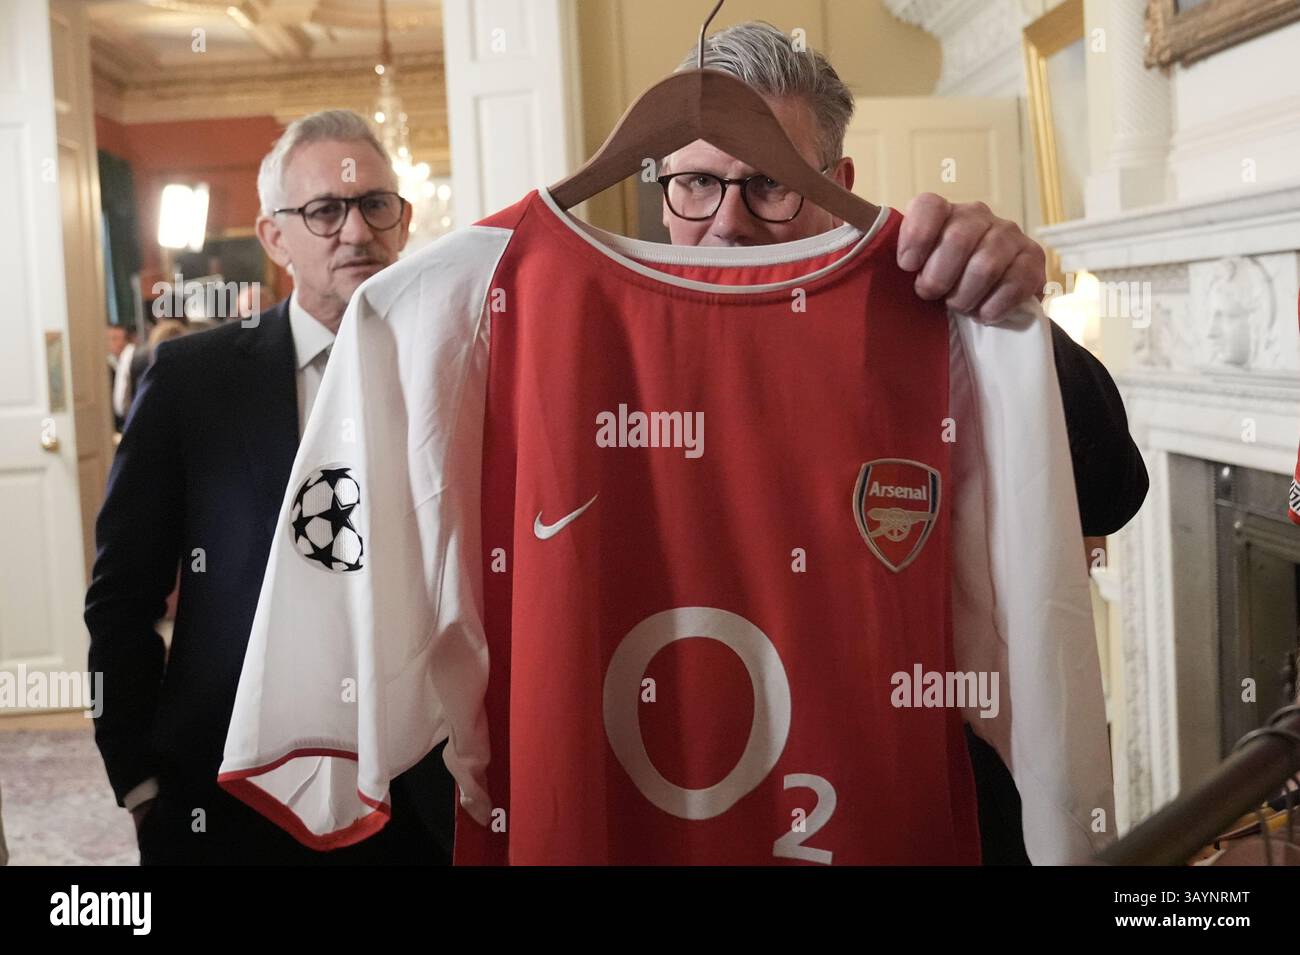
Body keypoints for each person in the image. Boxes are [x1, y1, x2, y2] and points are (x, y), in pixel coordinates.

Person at [662, 21, 1147, 863]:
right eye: (698, 183)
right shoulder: (599, 346)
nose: (727, 223)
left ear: (838, 184)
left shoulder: (927, 310)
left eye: (770, 183)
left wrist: (1014, 321)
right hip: (698, 799)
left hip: (930, 801)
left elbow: (1110, 490)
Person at [85, 110, 453, 865]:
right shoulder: (192, 383)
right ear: (274, 237)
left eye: (375, 204)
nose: (356, 232)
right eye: (324, 210)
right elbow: (122, 594)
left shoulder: (455, 368)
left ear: (403, 220)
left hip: (422, 789)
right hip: (232, 789)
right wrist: (140, 781)